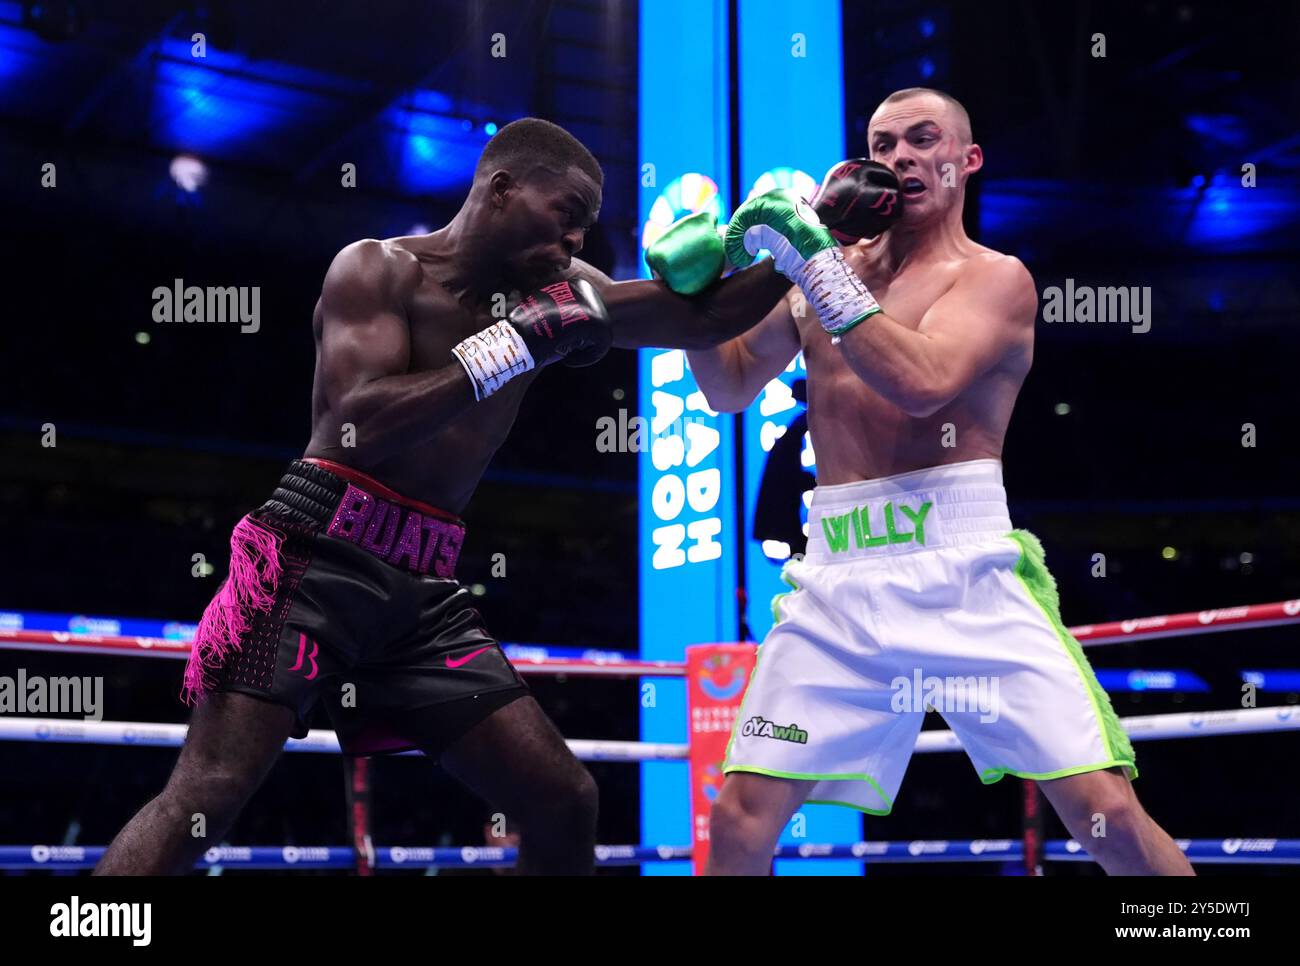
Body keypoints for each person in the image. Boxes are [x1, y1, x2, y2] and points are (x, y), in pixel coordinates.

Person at [95, 117, 792, 875]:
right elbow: (356, 422)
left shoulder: (566, 290)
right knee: (211, 793)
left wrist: (805, 241)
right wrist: (509, 345)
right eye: (566, 216)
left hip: (421, 594)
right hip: (312, 560)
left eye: (586, 230)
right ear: (500, 189)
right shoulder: (377, 270)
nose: (576, 244)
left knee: (564, 800)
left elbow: (704, 317)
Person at [691, 88, 1194, 875]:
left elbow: (922, 381)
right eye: (884, 144)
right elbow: (725, 387)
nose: (901, 159)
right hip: (838, 577)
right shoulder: (813, 279)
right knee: (739, 820)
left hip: (967, 572)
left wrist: (815, 260)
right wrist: (699, 295)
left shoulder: (996, 280)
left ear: (968, 158)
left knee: (1105, 814)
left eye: (924, 141)